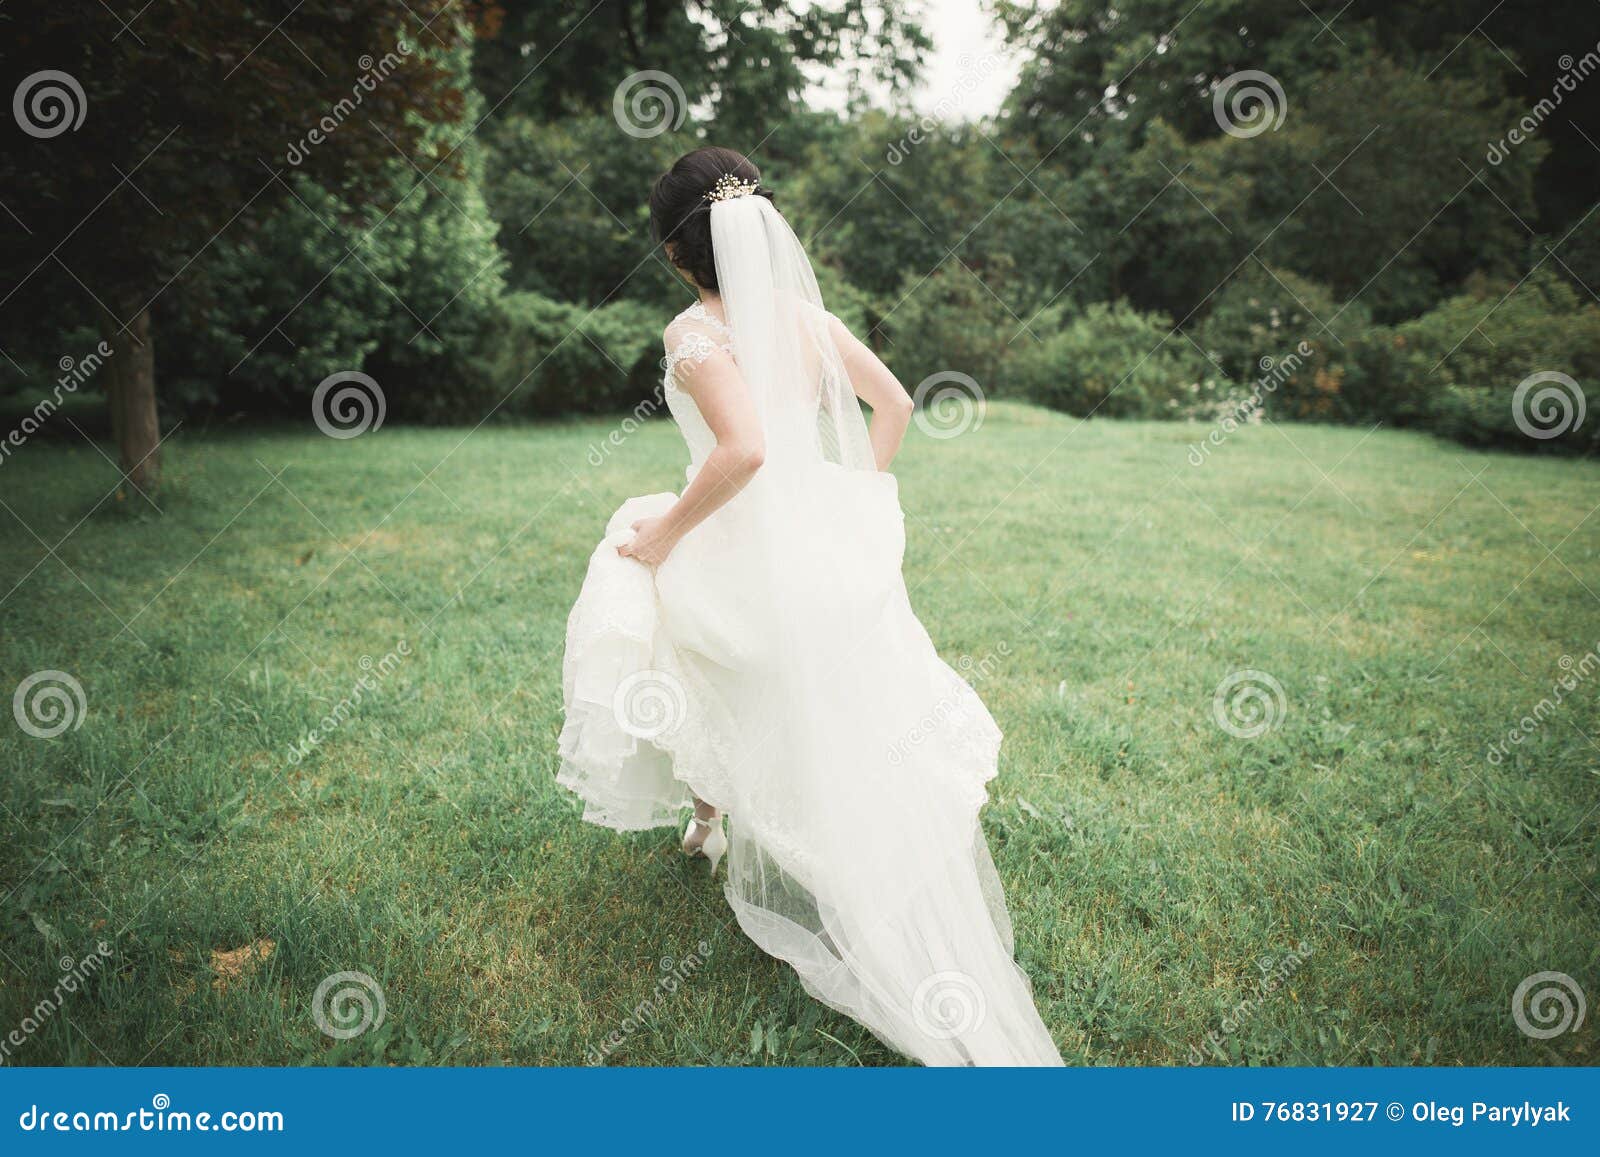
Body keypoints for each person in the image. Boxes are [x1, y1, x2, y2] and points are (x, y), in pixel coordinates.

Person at [558, 146, 1062, 1066]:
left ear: (676, 253)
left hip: (742, 534)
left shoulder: (690, 335)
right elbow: (898, 403)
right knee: (790, 677)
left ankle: (718, 823)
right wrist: (842, 500)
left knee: (653, 600)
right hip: (814, 531)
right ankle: (711, 823)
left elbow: (743, 450)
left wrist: (667, 534)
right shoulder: (798, 313)